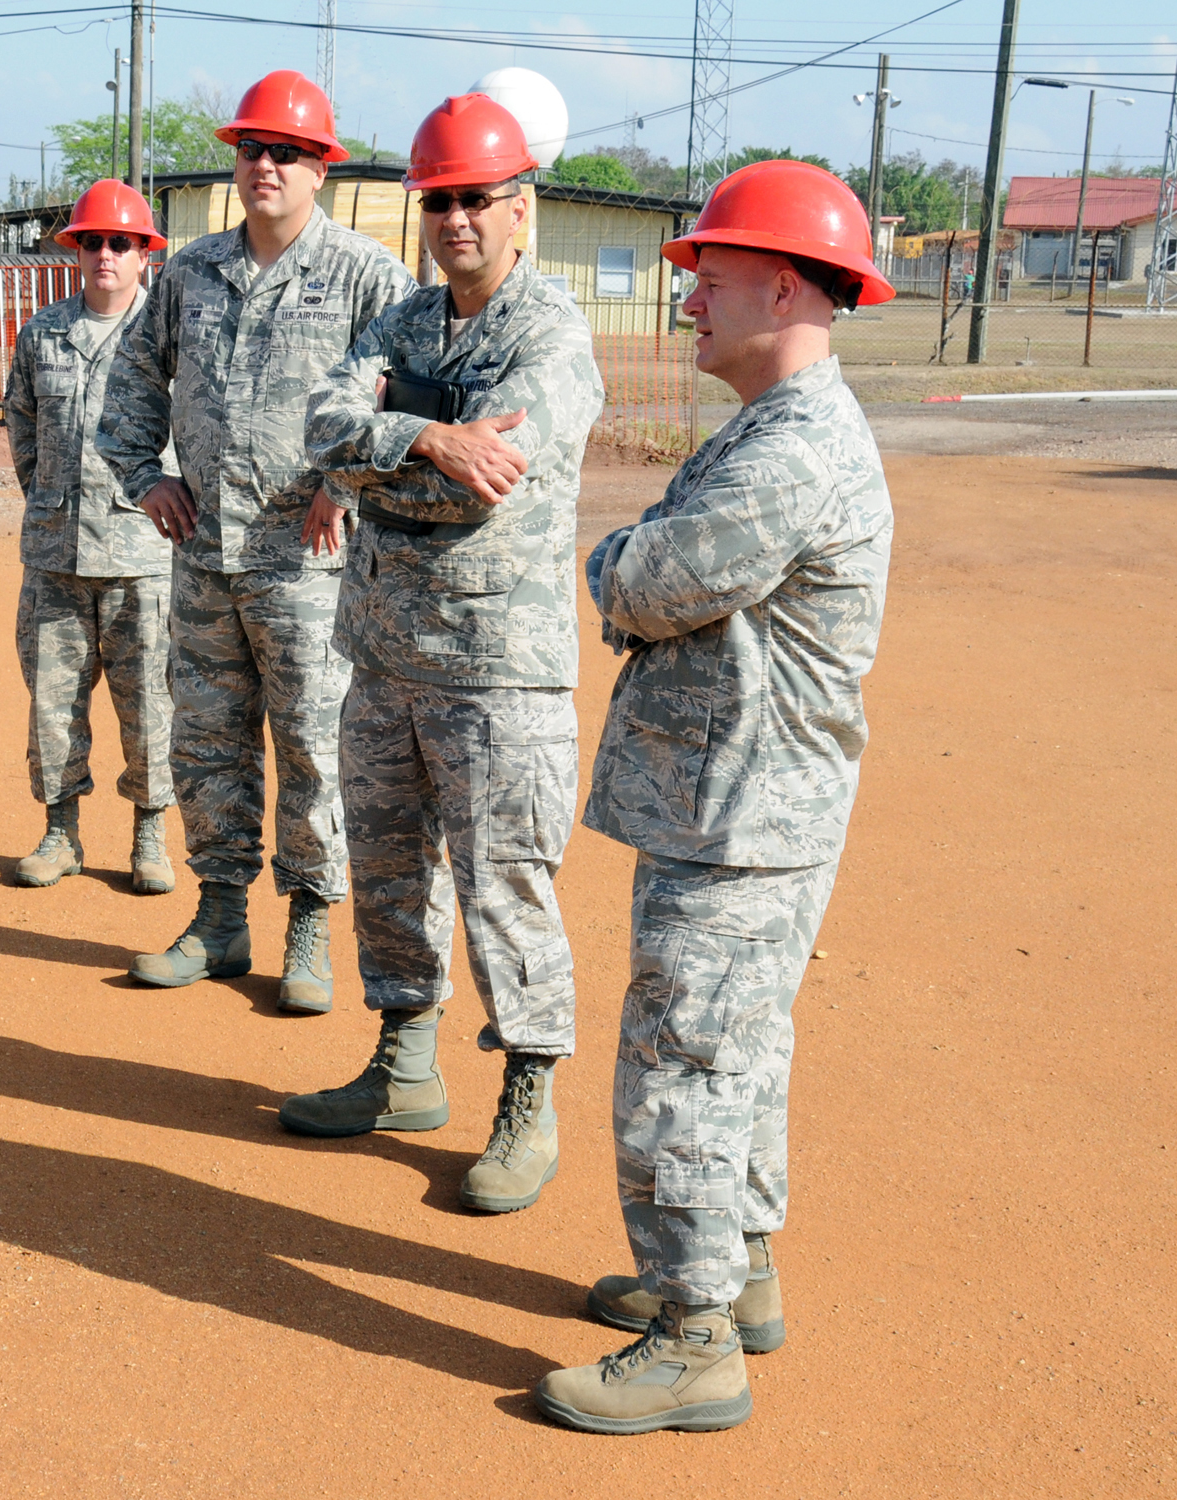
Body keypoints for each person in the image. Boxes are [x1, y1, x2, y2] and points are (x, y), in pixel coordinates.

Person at [532, 159, 895, 1433]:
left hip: (741, 813)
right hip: (737, 800)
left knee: (683, 1060)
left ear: (782, 288)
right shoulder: (773, 430)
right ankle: (735, 1274)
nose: (689, 300)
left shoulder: (791, 451)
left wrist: (611, 560)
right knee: (736, 1048)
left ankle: (694, 1339)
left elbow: (647, 581)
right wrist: (632, 559)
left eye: (712, 277)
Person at [284, 95, 602, 1216]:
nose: (455, 219)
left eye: (475, 199)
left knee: (504, 887)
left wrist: (378, 469)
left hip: (495, 668)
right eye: (438, 201)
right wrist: (423, 436)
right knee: (386, 872)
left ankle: (527, 1098)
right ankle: (404, 1067)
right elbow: (318, 427)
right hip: (383, 655)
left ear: (521, 208)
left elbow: (484, 491)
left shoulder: (549, 335)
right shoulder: (404, 321)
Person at [98, 70, 416, 1012]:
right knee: (207, 741)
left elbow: (406, 398)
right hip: (204, 556)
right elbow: (132, 382)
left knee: (314, 744)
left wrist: (344, 483)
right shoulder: (190, 273)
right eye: (251, 150)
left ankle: (310, 921)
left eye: (286, 152)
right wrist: (144, 476)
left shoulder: (366, 276)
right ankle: (220, 917)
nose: (265, 165)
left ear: (322, 168)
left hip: (310, 563)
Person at [1, 179, 176, 895]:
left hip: (143, 555)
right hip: (56, 556)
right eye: (93, 242)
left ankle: (150, 834)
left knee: (151, 703)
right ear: (75, 250)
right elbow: (22, 427)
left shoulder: (167, 337)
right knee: (52, 702)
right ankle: (61, 832)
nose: (106, 254)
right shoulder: (43, 334)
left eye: (121, 243)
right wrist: (51, 499)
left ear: (144, 255)